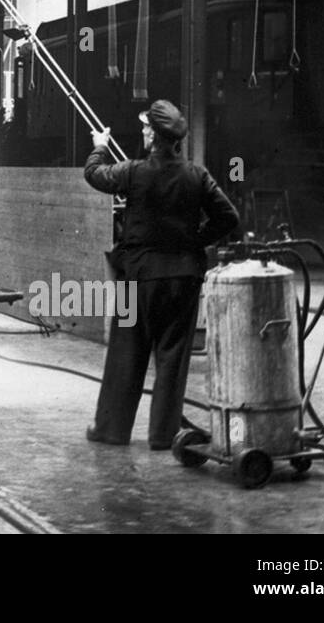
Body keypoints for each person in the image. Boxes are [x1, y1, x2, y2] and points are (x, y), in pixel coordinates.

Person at [83, 99, 239, 450]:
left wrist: (99, 148)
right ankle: (163, 435)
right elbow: (230, 218)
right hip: (183, 277)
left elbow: (94, 175)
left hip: (136, 278)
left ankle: (111, 430)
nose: (142, 131)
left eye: (146, 127)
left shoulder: (133, 171)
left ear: (154, 135)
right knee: (172, 359)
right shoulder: (197, 176)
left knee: (125, 355)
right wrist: (193, 242)